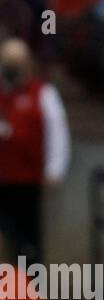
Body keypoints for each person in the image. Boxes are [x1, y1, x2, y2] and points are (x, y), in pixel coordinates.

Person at [0, 38, 70, 261]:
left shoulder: (43, 92)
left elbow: (57, 132)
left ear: (28, 63)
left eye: (17, 61)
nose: (12, 66)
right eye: (8, 61)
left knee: (27, 237)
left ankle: (31, 291)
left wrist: (55, 169)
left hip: (28, 179)